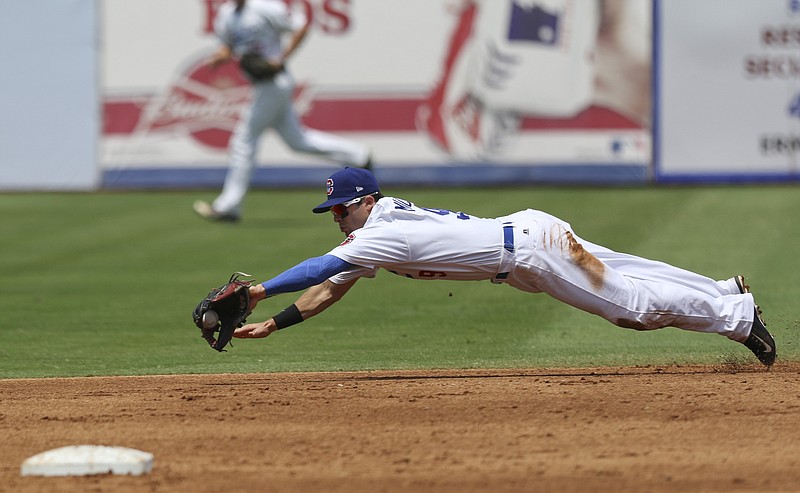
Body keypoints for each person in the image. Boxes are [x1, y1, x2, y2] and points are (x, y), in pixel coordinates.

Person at [233, 167, 776, 367]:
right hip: (528, 235)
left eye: (342, 208)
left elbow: (318, 270)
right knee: (627, 269)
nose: (337, 217)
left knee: (630, 307)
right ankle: (722, 291)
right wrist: (275, 322)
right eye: (332, 211)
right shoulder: (380, 227)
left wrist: (259, 291)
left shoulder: (382, 232)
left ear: (368, 201)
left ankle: (737, 317)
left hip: (531, 253)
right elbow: (330, 287)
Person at [194, 0, 372, 222]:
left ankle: (229, 206)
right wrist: (219, 57)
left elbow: (301, 26)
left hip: (274, 82)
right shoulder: (227, 14)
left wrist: (281, 58)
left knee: (243, 140)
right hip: (262, 84)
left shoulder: (264, 8)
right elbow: (227, 47)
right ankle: (358, 155)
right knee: (298, 141)